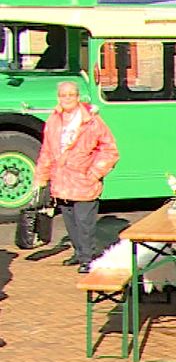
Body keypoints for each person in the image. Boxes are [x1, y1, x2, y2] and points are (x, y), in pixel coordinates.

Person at [34, 81, 119, 273]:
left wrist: (95, 173)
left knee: (84, 223)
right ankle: (79, 253)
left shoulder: (92, 121)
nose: (67, 99)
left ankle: (87, 258)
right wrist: (41, 176)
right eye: (63, 95)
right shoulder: (53, 121)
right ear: (58, 98)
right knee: (71, 224)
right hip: (62, 182)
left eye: (71, 95)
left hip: (85, 181)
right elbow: (47, 151)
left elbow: (110, 150)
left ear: (77, 97)